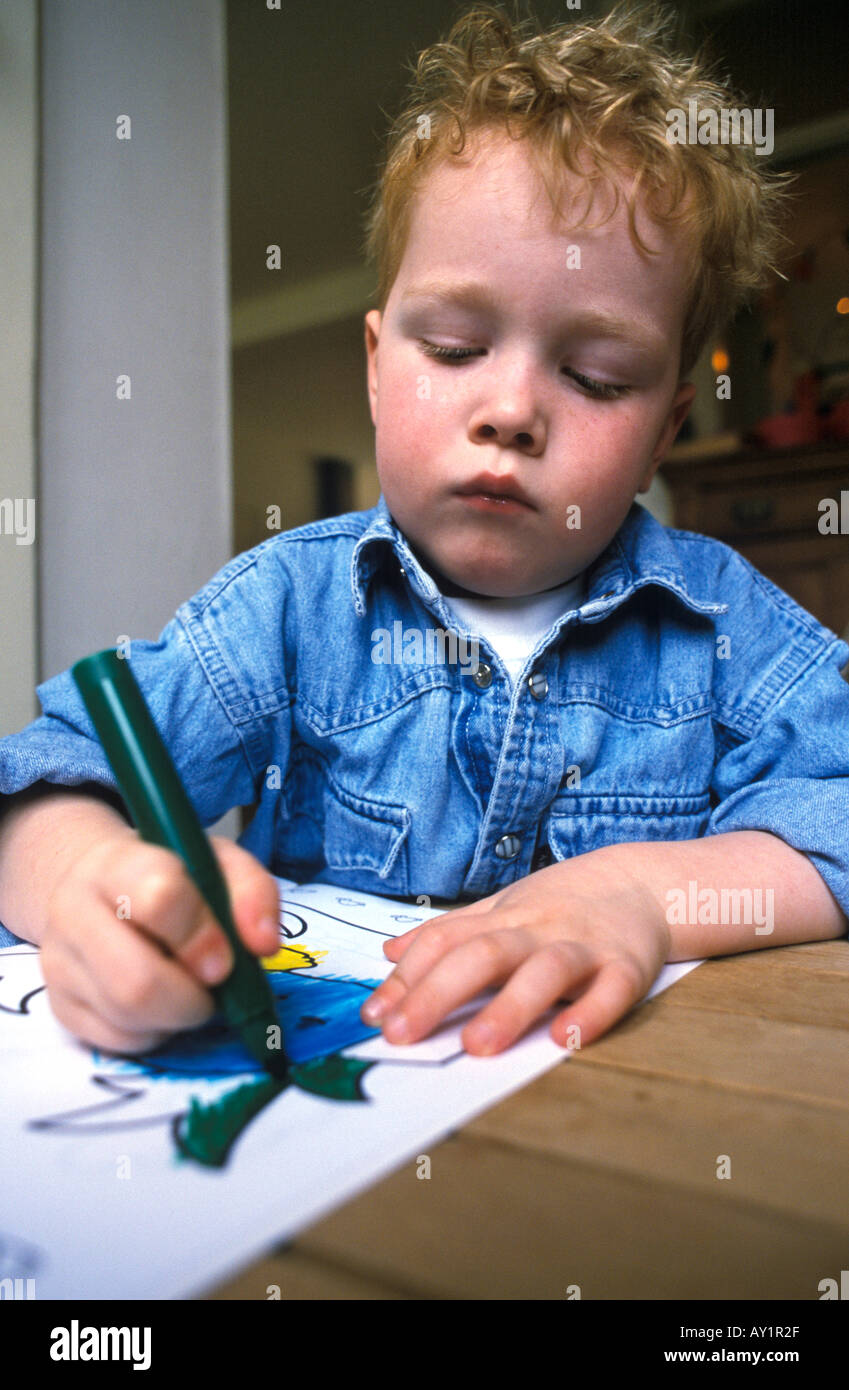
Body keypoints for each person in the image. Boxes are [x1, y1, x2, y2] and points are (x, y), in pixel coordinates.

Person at [0, 2, 847, 1061]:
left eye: (595, 376)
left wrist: (640, 892)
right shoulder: (284, 612)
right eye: (452, 347)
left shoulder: (727, 629)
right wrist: (86, 880)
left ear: (668, 424)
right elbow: (48, 778)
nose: (511, 411)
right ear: (373, 362)